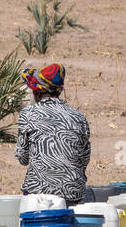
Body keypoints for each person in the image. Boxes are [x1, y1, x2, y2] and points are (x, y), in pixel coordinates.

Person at [15, 63, 90, 206]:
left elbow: (22, 158)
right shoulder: (79, 117)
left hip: (39, 194)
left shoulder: (28, 114)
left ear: (36, 92)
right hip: (73, 193)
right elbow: (84, 159)